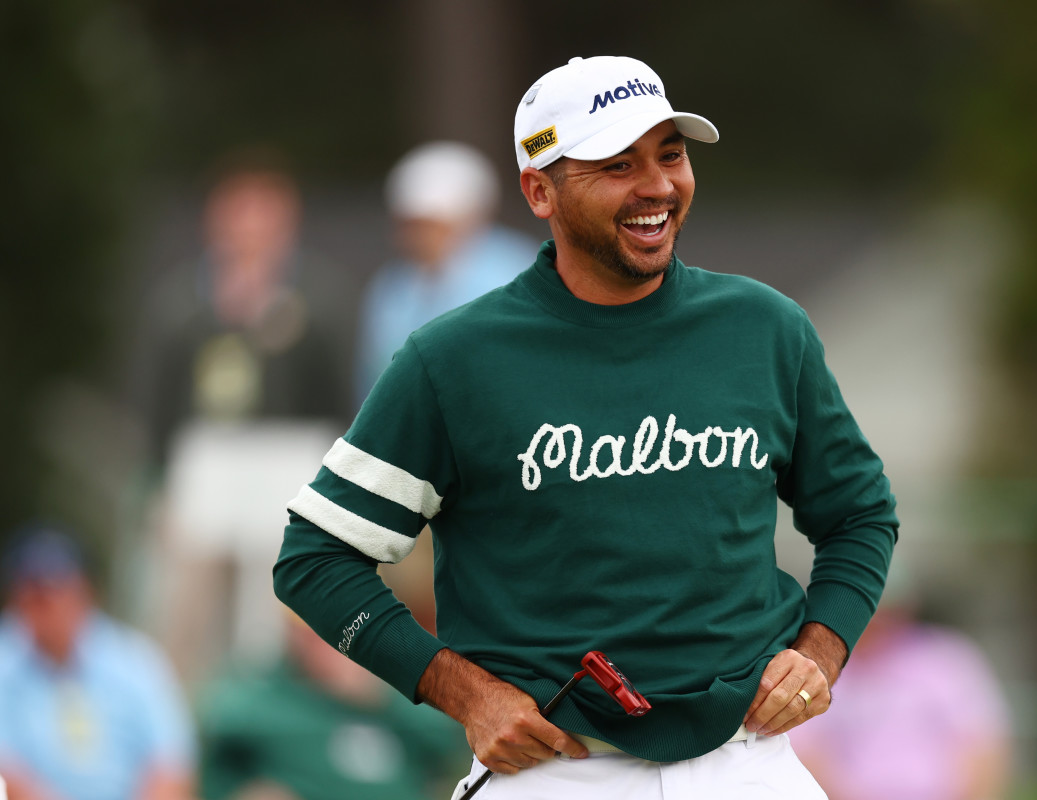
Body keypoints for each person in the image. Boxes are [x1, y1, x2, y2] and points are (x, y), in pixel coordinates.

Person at [274, 55, 899, 799]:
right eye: (618, 164)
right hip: (552, 774)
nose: (658, 185)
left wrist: (822, 650)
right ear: (540, 190)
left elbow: (860, 512)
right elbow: (316, 559)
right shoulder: (453, 360)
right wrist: (464, 693)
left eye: (671, 154)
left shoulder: (765, 329)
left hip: (750, 764)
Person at [128, 150, 358, 686]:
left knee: (270, 607)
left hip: (286, 466)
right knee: (184, 607)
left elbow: (337, 394)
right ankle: (180, 710)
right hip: (203, 466)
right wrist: (159, 479)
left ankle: (264, 709)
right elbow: (160, 398)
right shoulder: (183, 301)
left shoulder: (319, 299)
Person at [0, 523, 196, 800]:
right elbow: (6, 773)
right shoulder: (5, 661)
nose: (49, 605)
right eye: (35, 593)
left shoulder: (135, 660)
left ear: (85, 590)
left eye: (57, 589)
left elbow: (170, 763)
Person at [786, 564, 1013, 800]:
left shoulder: (947, 658)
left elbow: (983, 745)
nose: (876, 621)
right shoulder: (816, 665)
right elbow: (805, 748)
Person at [196, 607, 469, 800]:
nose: (329, 642)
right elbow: (218, 728)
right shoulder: (265, 688)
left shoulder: (388, 688)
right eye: (316, 632)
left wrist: (376, 694)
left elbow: (449, 740)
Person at [356, 140, 537, 402]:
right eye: (409, 224)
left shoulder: (513, 270)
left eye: (430, 224)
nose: (417, 236)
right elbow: (374, 372)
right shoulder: (392, 284)